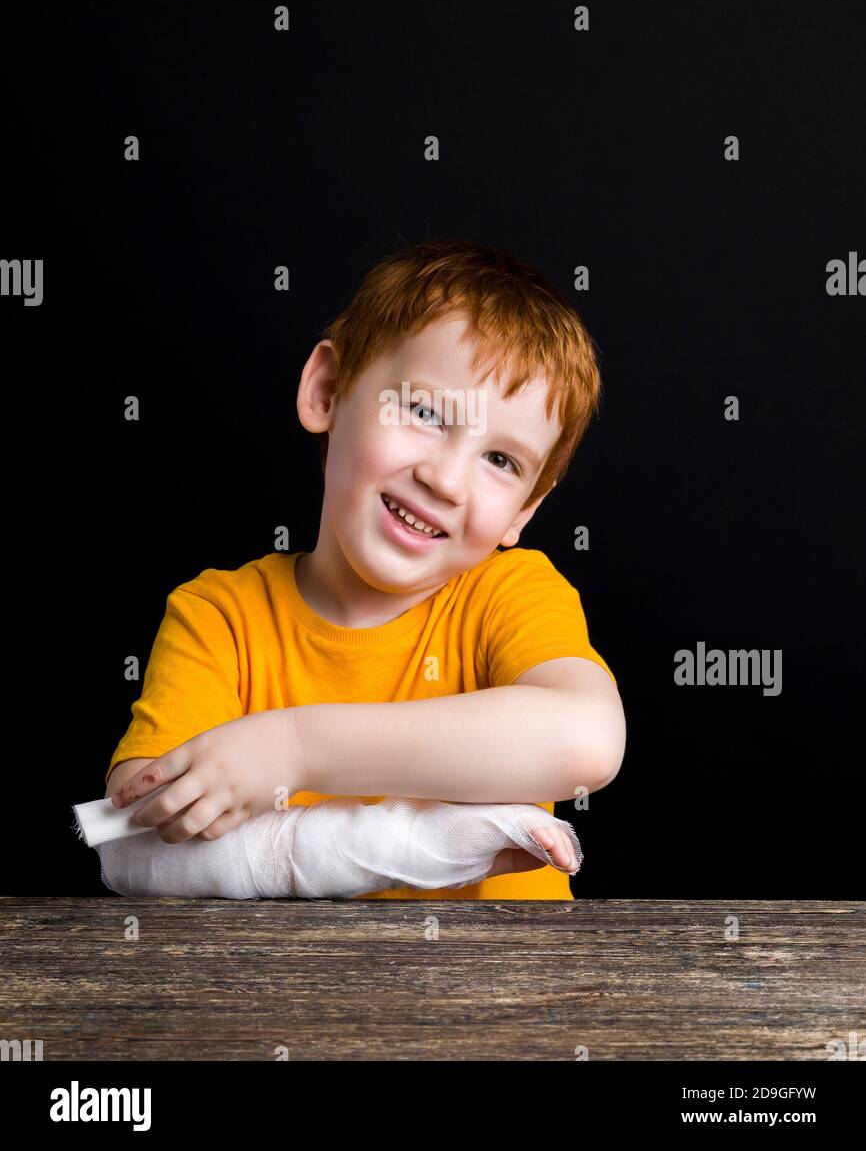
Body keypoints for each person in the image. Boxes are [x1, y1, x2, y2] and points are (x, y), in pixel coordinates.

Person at [101, 237, 625, 899]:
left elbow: (587, 741)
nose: (445, 479)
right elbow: (133, 846)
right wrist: (382, 847)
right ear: (327, 390)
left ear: (526, 509)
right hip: (280, 997)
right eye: (424, 411)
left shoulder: (510, 594)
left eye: (501, 461)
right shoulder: (220, 618)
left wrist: (295, 749)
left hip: (501, 998)